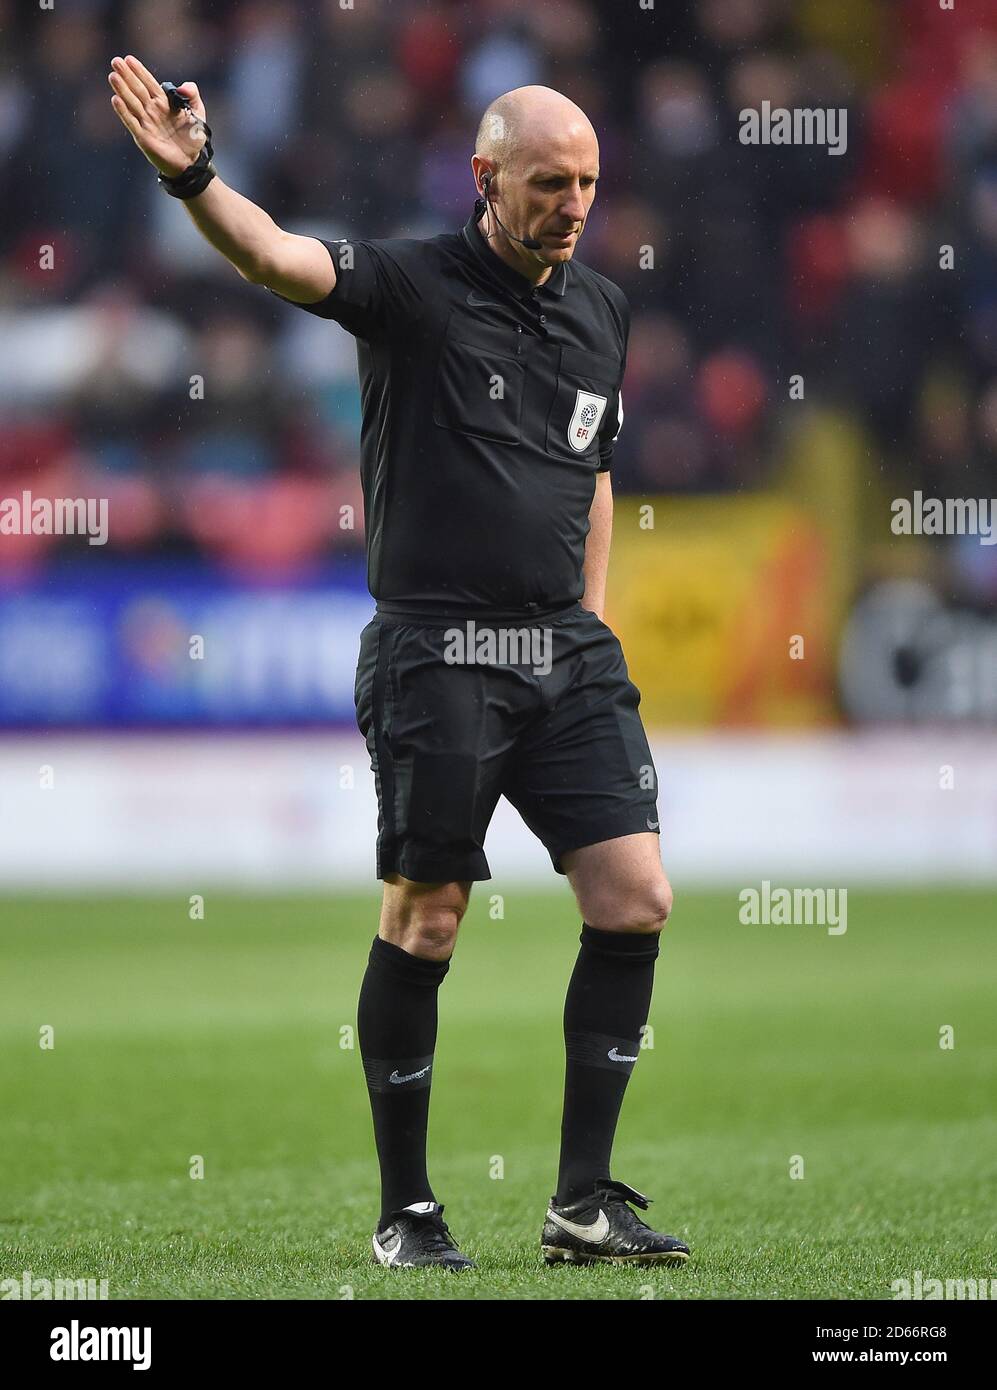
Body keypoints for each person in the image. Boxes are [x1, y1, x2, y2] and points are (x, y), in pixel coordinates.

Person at [109, 54, 690, 1271]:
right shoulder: (416, 286)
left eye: (586, 182)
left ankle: (582, 1203)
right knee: (427, 919)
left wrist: (591, 621)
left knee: (635, 895)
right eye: (546, 183)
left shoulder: (602, 310)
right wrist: (197, 180)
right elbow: (277, 257)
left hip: (564, 652)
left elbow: (593, 470)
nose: (572, 204)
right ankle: (407, 1211)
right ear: (486, 179)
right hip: (438, 649)